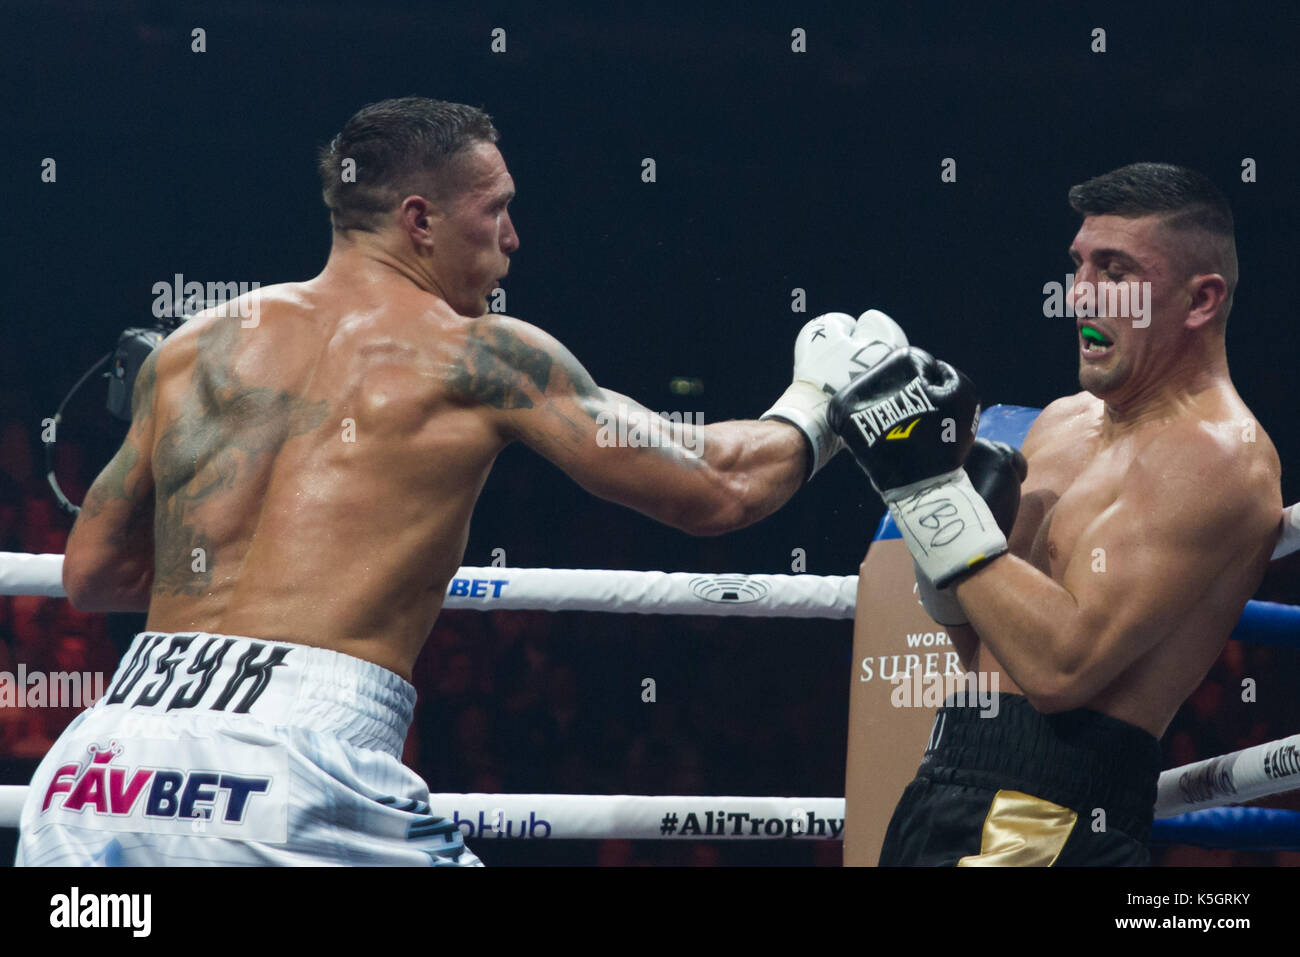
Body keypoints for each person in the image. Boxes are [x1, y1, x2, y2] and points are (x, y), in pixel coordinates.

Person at [17, 97, 901, 866]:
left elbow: (91, 573)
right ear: (419, 219)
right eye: (499, 210)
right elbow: (716, 487)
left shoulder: (190, 347)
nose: (514, 238)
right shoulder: (481, 356)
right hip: (296, 772)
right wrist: (821, 406)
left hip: (104, 768)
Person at [830, 162, 1282, 866]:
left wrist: (925, 490)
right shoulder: (1060, 426)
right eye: (1078, 266)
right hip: (945, 784)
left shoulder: (1221, 457)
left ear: (1201, 300)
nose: (1080, 296)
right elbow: (985, 647)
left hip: (1048, 820)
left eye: (1115, 270)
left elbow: (1059, 670)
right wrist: (942, 575)